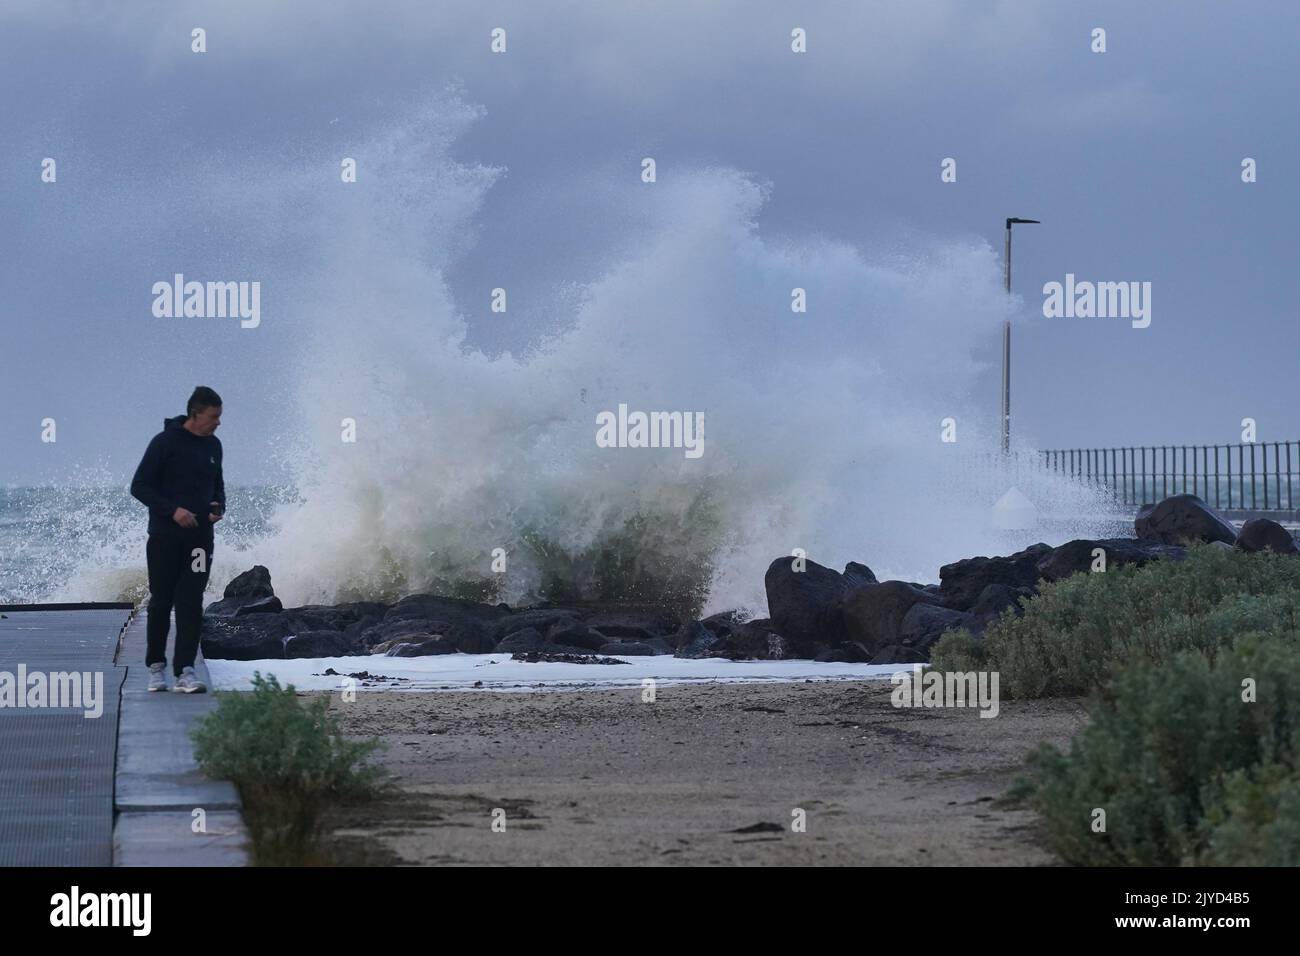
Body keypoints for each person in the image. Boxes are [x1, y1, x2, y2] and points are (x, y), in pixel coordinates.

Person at [129, 386, 226, 693]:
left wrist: (217, 507)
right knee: (161, 601)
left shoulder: (214, 446)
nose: (218, 422)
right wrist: (173, 511)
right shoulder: (164, 443)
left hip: (199, 541)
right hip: (164, 538)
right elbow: (139, 486)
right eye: (214, 416)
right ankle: (156, 667)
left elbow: (218, 486)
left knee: (191, 601)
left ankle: (185, 670)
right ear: (195, 415)